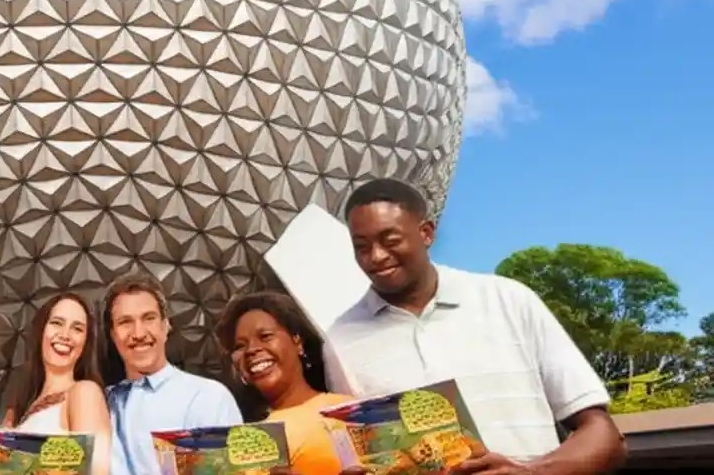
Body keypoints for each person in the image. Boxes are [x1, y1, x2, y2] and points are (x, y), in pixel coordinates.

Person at [323, 178, 627, 474]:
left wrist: (531, 471)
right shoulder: (340, 340)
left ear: (426, 233)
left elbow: (604, 435)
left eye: (390, 240)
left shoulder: (509, 300)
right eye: (361, 246)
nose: (376, 256)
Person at [102, 271, 242, 475]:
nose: (139, 333)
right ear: (113, 334)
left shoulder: (206, 396)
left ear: (166, 325)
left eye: (148, 318)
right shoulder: (98, 403)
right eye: (125, 322)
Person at [216, 291, 352, 475]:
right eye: (240, 346)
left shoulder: (347, 412)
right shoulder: (241, 441)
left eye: (265, 336)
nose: (252, 350)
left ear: (297, 341)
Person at [1, 292, 112, 475]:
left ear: (86, 343)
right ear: (41, 330)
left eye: (77, 328)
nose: (65, 335)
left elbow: (97, 471)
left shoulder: (85, 393)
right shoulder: (20, 407)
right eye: (57, 323)